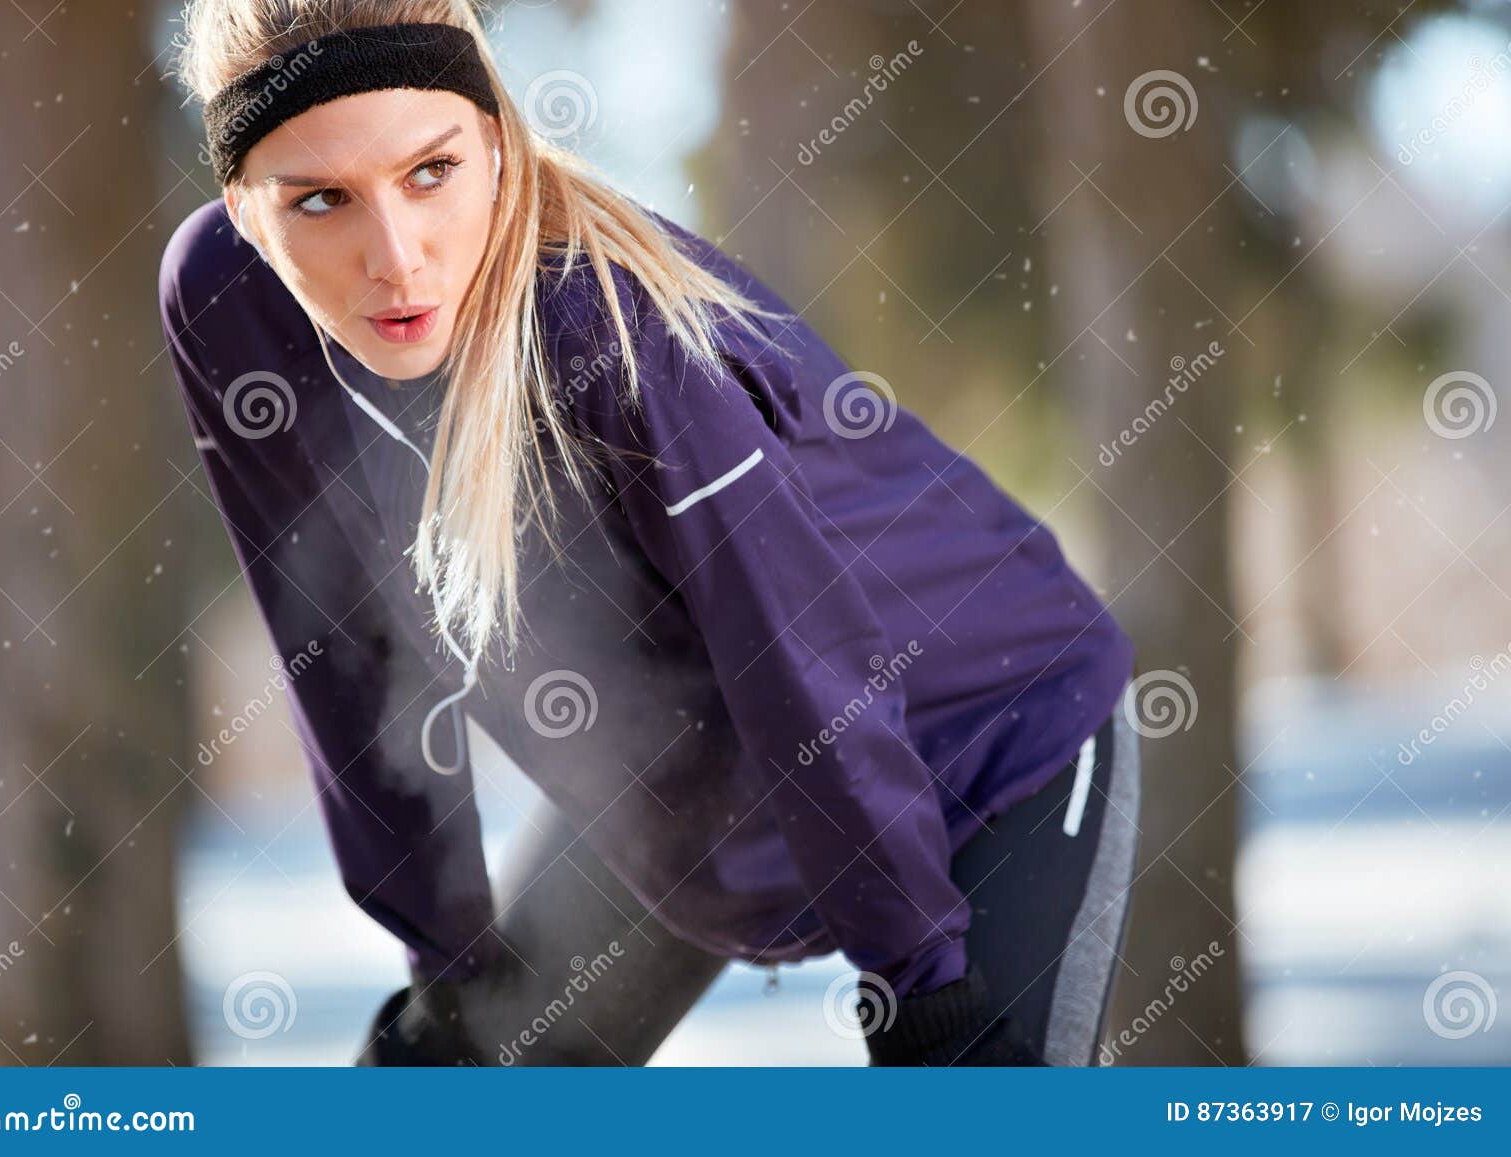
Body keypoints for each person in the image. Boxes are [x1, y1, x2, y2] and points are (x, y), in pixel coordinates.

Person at [158, 0, 1142, 1067]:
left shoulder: (606, 331)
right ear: (244, 210)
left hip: (983, 731)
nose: (395, 257)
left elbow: (802, 664)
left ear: (497, 144)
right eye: (321, 199)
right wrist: (446, 960)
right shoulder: (225, 304)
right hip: (682, 782)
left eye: (430, 172)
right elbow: (344, 644)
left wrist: (922, 989)